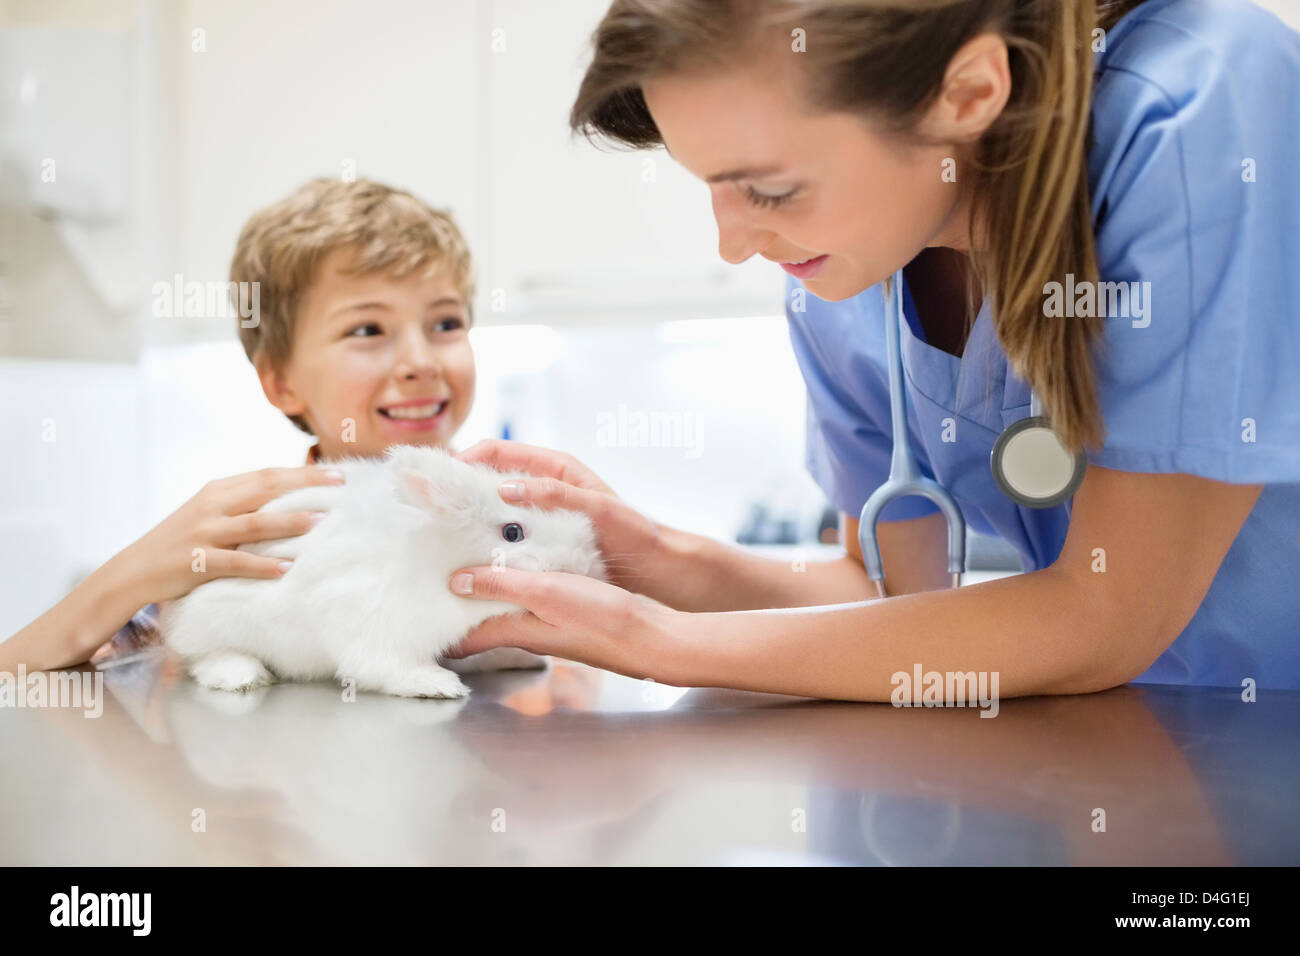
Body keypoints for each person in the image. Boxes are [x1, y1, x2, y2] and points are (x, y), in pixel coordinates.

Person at [445, 0, 1300, 699]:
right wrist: (653, 559)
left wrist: (665, 645)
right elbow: (885, 594)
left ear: (966, 94)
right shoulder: (847, 272)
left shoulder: (1199, 105)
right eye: (708, 183)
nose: (733, 243)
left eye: (771, 189)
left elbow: (1106, 615)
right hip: (1119, 760)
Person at [0, 178, 479, 672]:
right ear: (280, 382)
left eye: (445, 323)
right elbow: (14, 677)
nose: (421, 362)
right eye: (367, 330)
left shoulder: (524, 518)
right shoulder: (249, 549)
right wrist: (133, 574)